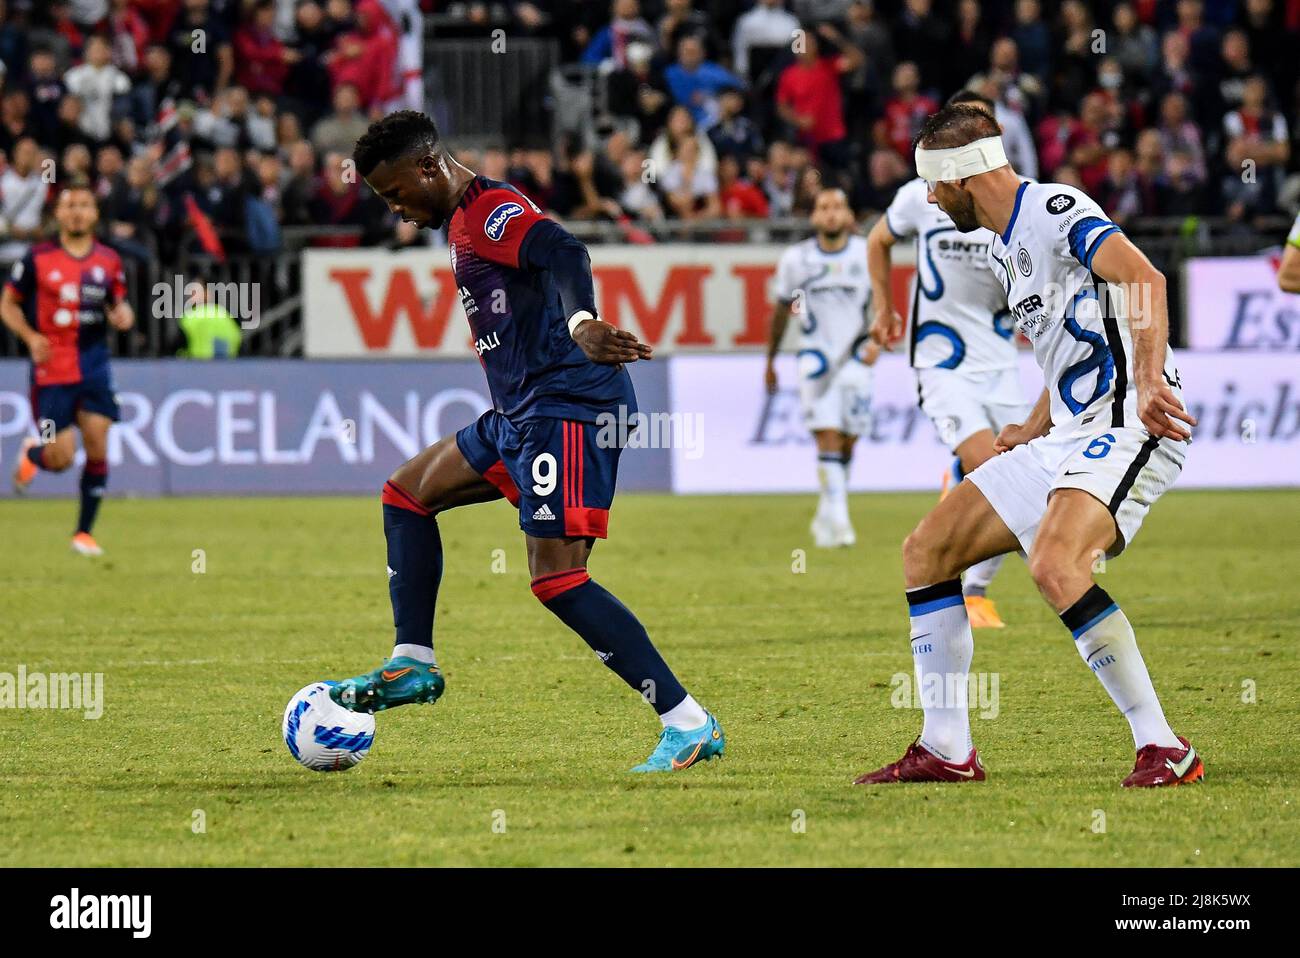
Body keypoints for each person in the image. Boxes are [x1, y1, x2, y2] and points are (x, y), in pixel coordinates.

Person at [334, 111, 725, 773]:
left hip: (568, 406)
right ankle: (413, 663)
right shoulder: (459, 221)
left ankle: (687, 722)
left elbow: (564, 250)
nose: (397, 211)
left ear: (429, 167)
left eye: (397, 193)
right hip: (519, 413)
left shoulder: (491, 211)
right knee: (405, 494)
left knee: (558, 579)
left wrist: (579, 321)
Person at [856, 104, 1202, 788]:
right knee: (928, 551)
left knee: (1054, 564)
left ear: (961, 175)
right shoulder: (1002, 246)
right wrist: (1035, 424)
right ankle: (946, 748)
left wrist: (1148, 376)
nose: (928, 197)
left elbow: (1144, 279)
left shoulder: (1054, 207)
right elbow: (1069, 347)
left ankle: (1164, 746)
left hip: (1127, 422)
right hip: (1067, 433)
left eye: (933, 183)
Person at [866, 91, 1028, 628]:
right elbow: (877, 241)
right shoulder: (923, 196)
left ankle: (975, 588)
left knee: (1017, 472)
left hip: (1001, 360)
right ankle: (959, 575)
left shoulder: (1017, 204)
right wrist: (884, 308)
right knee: (992, 466)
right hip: (941, 359)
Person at [4, 182, 135, 556]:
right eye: (69, 205)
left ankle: (83, 533)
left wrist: (123, 314)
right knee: (59, 457)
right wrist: (30, 337)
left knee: (97, 445)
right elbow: (7, 305)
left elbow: (118, 305)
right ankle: (33, 454)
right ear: (58, 214)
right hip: (51, 373)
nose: (76, 211)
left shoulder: (109, 260)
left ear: (95, 214)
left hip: (94, 368)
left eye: (84, 205)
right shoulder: (37, 258)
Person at [765, 186, 879, 548]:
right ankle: (842, 523)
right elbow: (782, 310)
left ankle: (826, 511)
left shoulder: (868, 254)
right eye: (823, 207)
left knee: (848, 441)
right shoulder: (796, 260)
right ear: (814, 216)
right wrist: (770, 360)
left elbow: (881, 304)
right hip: (815, 358)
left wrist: (878, 341)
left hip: (858, 358)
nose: (830, 214)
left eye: (838, 207)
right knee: (827, 435)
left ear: (848, 216)